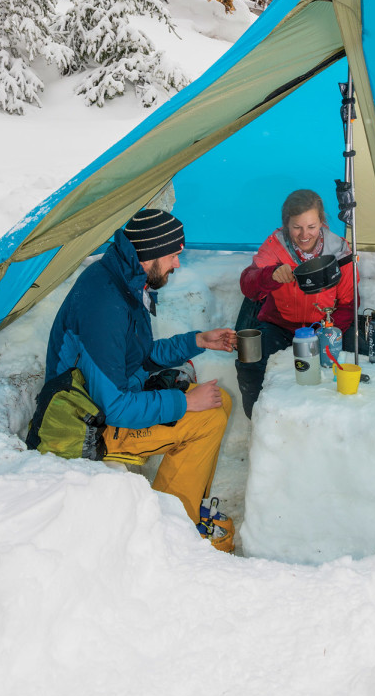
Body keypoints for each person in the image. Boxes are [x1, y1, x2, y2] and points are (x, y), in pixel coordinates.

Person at [43, 207, 236, 547]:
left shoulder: (127, 281)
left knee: (223, 401)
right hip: (89, 424)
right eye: (174, 255)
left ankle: (182, 510)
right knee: (204, 419)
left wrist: (197, 341)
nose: (178, 264)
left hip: (109, 399)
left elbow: (139, 356)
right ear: (150, 253)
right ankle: (171, 534)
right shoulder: (106, 305)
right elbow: (115, 407)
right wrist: (185, 401)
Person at [236, 188, 360, 418]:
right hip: (281, 325)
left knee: (356, 358)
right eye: (297, 227)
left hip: (324, 325)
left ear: (322, 222)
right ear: (286, 224)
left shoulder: (339, 250)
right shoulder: (275, 246)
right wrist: (271, 274)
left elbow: (349, 302)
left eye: (311, 227)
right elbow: (248, 284)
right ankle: (256, 420)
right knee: (250, 361)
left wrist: (331, 332)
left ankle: (341, 420)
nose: (305, 235)